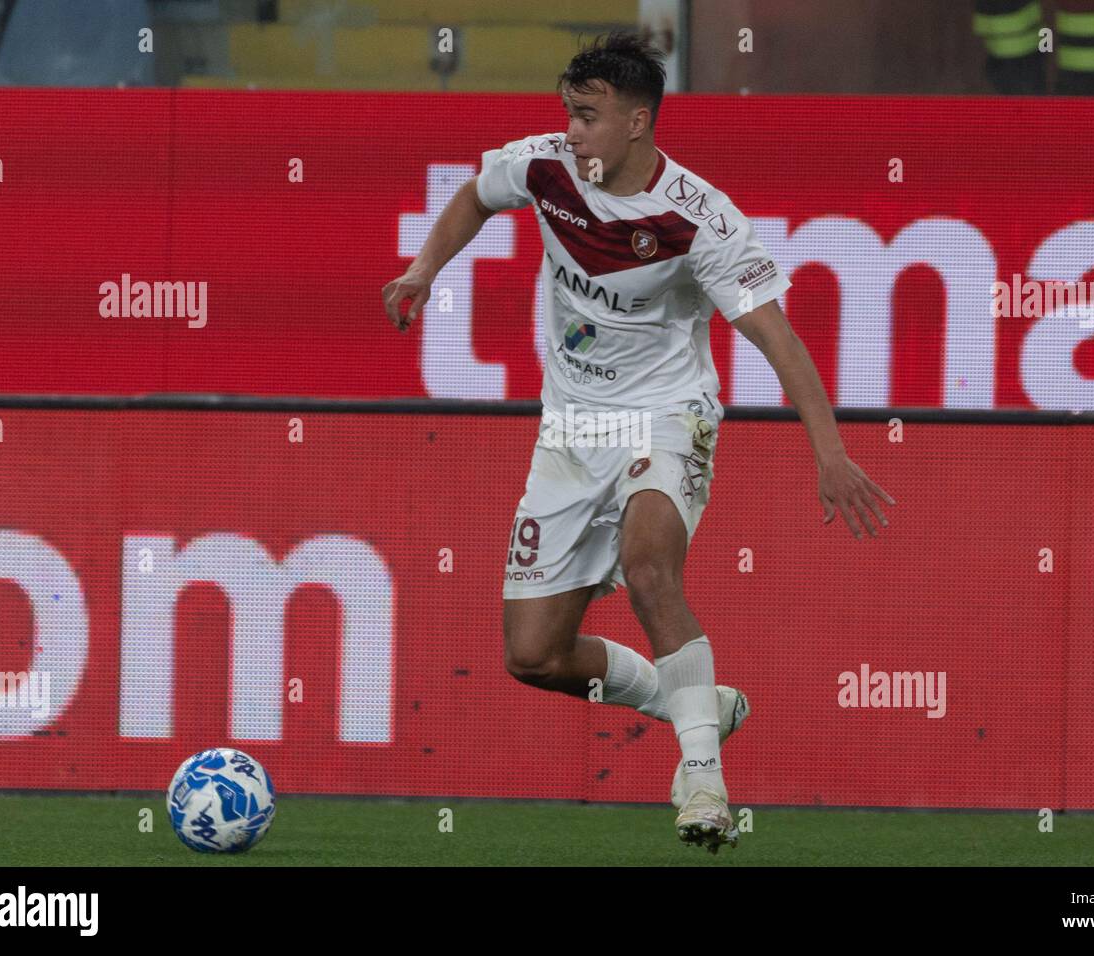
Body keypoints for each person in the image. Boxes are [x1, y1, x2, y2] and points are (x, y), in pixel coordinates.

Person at [383, 31, 895, 853]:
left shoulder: (702, 218)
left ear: (637, 122)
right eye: (568, 114)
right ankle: (695, 702)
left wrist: (828, 451)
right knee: (534, 656)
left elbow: (777, 339)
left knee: (652, 564)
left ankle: (702, 778)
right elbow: (476, 195)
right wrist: (423, 270)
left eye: (587, 117)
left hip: (665, 415)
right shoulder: (546, 166)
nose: (572, 131)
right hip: (572, 428)